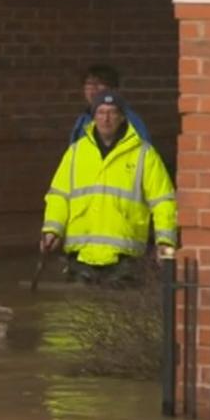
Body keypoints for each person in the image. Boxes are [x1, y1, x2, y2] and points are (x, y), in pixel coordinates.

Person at [41, 90, 177, 287]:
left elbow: (163, 200)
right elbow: (59, 196)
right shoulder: (76, 152)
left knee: (119, 314)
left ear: (122, 117)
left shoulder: (144, 154)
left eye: (112, 113)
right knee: (75, 314)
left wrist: (165, 241)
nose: (106, 119)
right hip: (81, 254)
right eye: (101, 112)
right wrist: (52, 230)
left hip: (125, 257)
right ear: (93, 117)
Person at [69, 64, 152, 145]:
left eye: (98, 83)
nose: (92, 89)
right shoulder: (83, 119)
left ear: (113, 88)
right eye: (88, 84)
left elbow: (144, 149)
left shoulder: (130, 119)